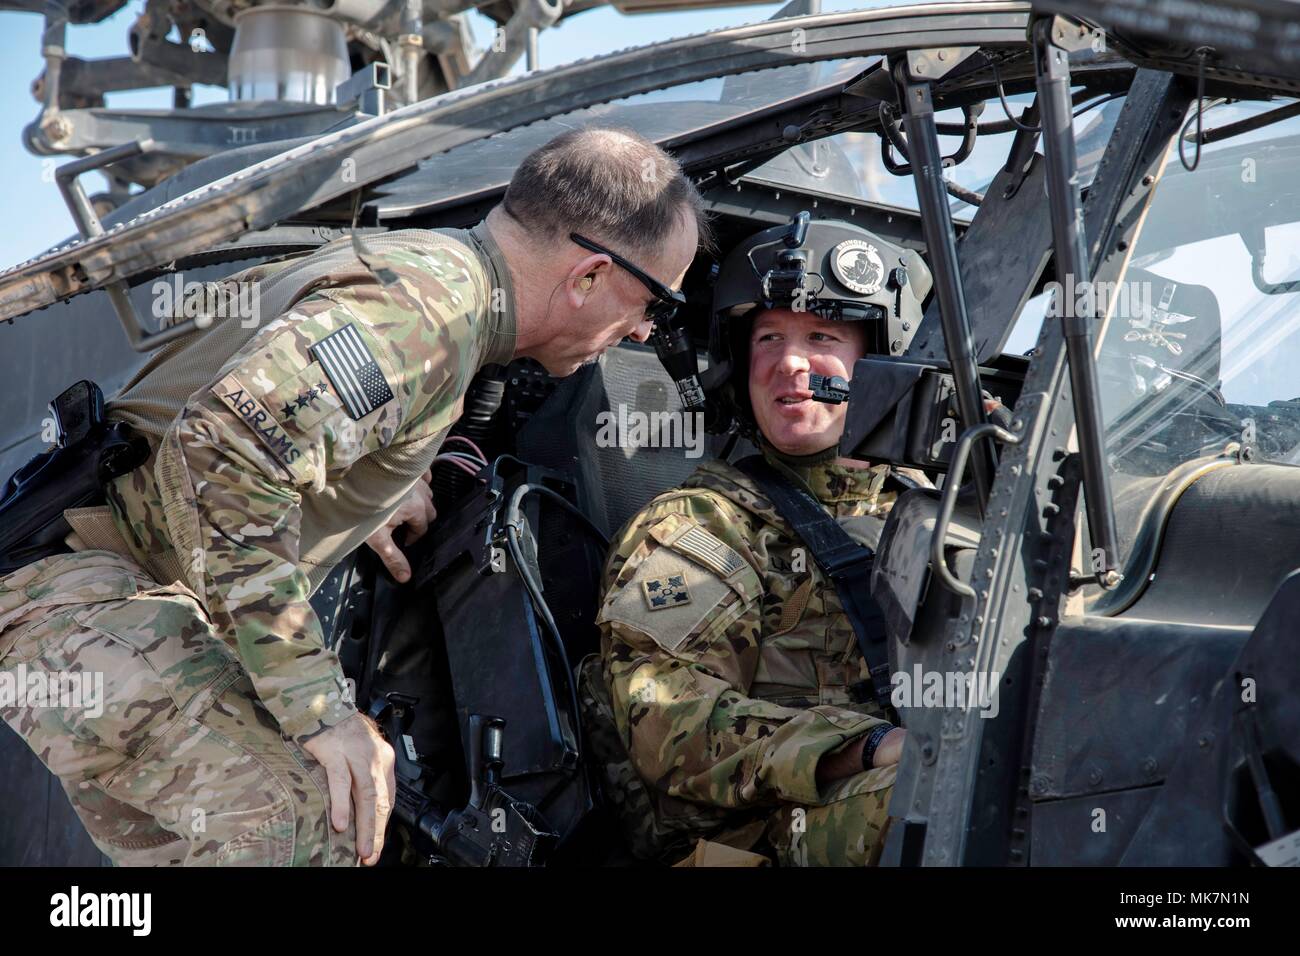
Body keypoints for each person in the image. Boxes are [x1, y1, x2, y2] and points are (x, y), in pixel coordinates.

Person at [0, 126, 706, 866]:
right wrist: (317, 708)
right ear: (590, 275)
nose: (642, 332)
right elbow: (223, 447)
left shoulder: (436, 290)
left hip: (86, 607)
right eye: (655, 302)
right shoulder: (429, 316)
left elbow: (270, 429)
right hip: (86, 597)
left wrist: (368, 485)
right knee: (317, 813)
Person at [581, 215, 932, 866]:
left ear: (884, 361)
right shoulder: (701, 525)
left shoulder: (943, 508)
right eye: (769, 337)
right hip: (754, 838)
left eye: (823, 335)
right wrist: (868, 745)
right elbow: (667, 722)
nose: (790, 363)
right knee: (932, 802)